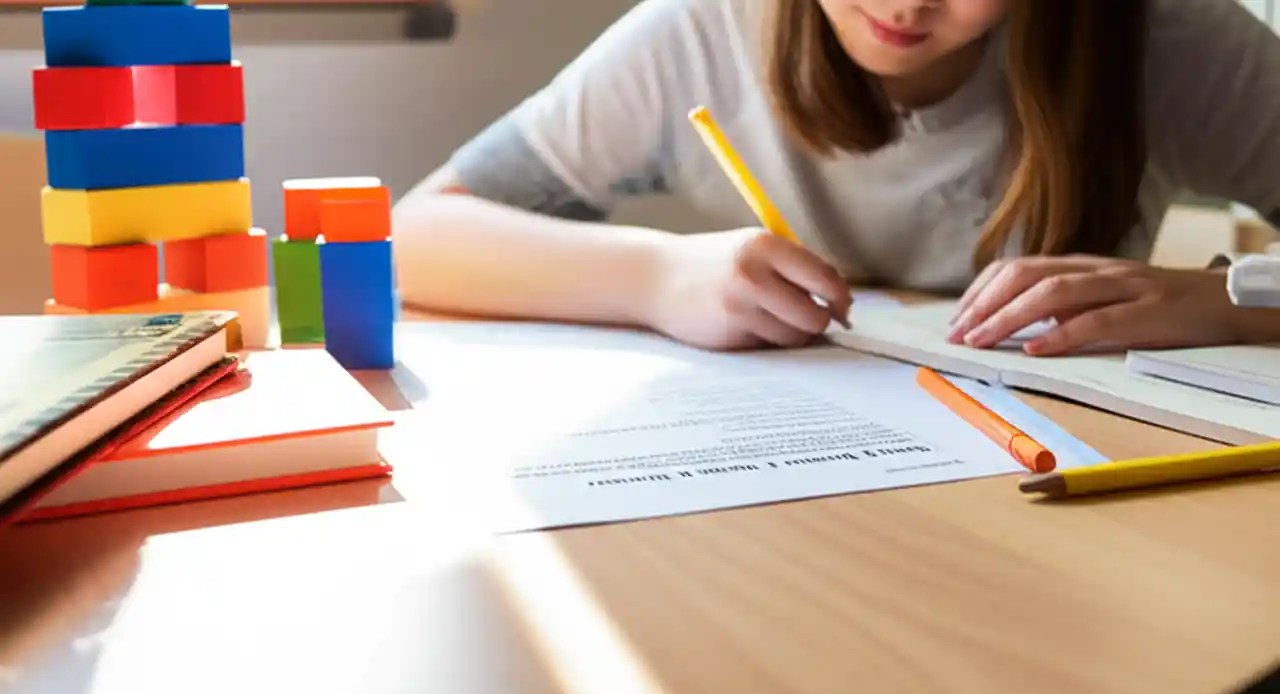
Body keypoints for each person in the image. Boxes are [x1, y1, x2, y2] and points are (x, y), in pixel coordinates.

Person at [392, 0, 1280, 355]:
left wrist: (1225, 303)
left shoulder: (1170, 39)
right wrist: (655, 276)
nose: (906, 5)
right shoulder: (702, 30)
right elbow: (415, 235)